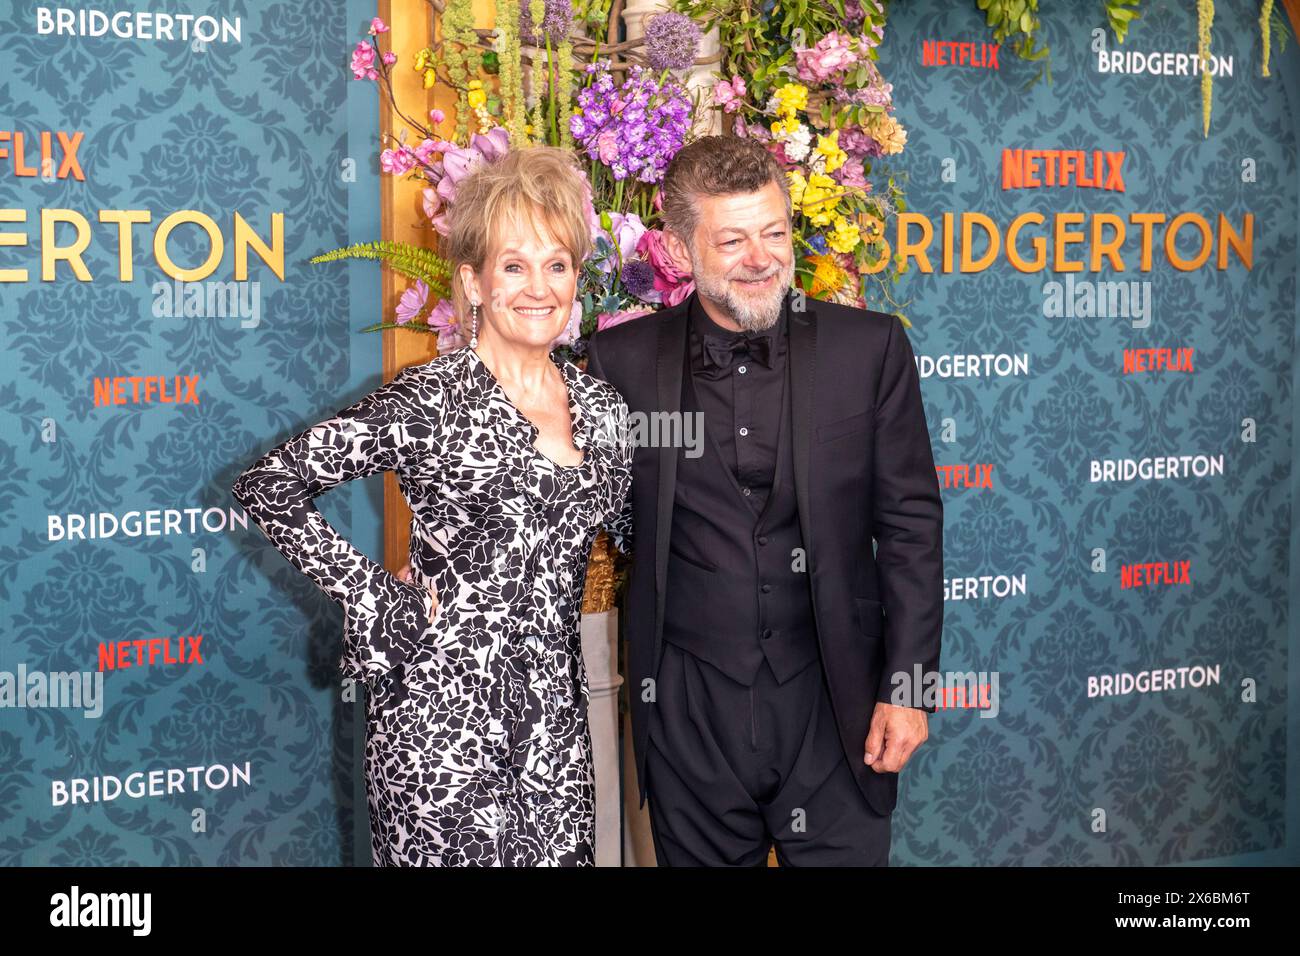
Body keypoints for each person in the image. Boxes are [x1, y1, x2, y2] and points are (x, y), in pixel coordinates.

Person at [230, 145, 632, 866]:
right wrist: (377, 598)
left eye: (557, 264)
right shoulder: (430, 399)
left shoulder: (601, 409)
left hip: (554, 734)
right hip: (439, 723)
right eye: (514, 265)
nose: (539, 287)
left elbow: (641, 533)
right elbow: (269, 486)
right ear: (473, 283)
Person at [585, 135, 944, 866]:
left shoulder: (867, 350)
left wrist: (907, 688)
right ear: (680, 252)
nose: (763, 257)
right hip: (690, 713)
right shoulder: (619, 364)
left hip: (836, 705)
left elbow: (910, 526)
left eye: (775, 232)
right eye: (734, 239)